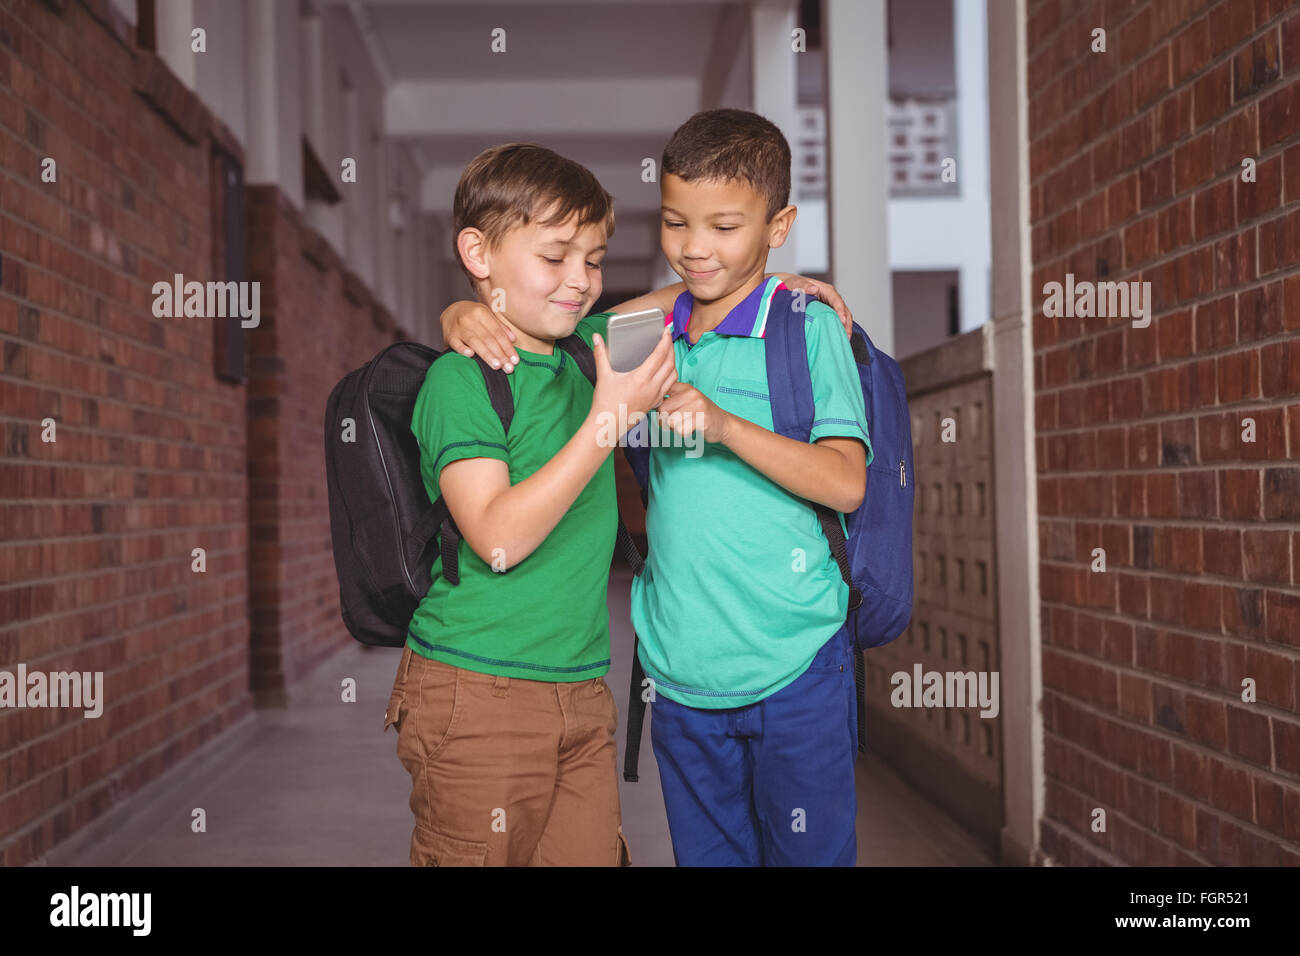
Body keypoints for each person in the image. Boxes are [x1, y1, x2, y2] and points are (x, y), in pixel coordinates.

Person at [440, 111, 870, 866]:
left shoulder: (806, 330)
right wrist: (467, 311)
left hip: (798, 658)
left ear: (779, 225)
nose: (696, 248)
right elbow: (550, 321)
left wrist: (727, 424)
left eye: (726, 226)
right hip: (678, 672)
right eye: (676, 223)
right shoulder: (644, 331)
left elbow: (845, 482)